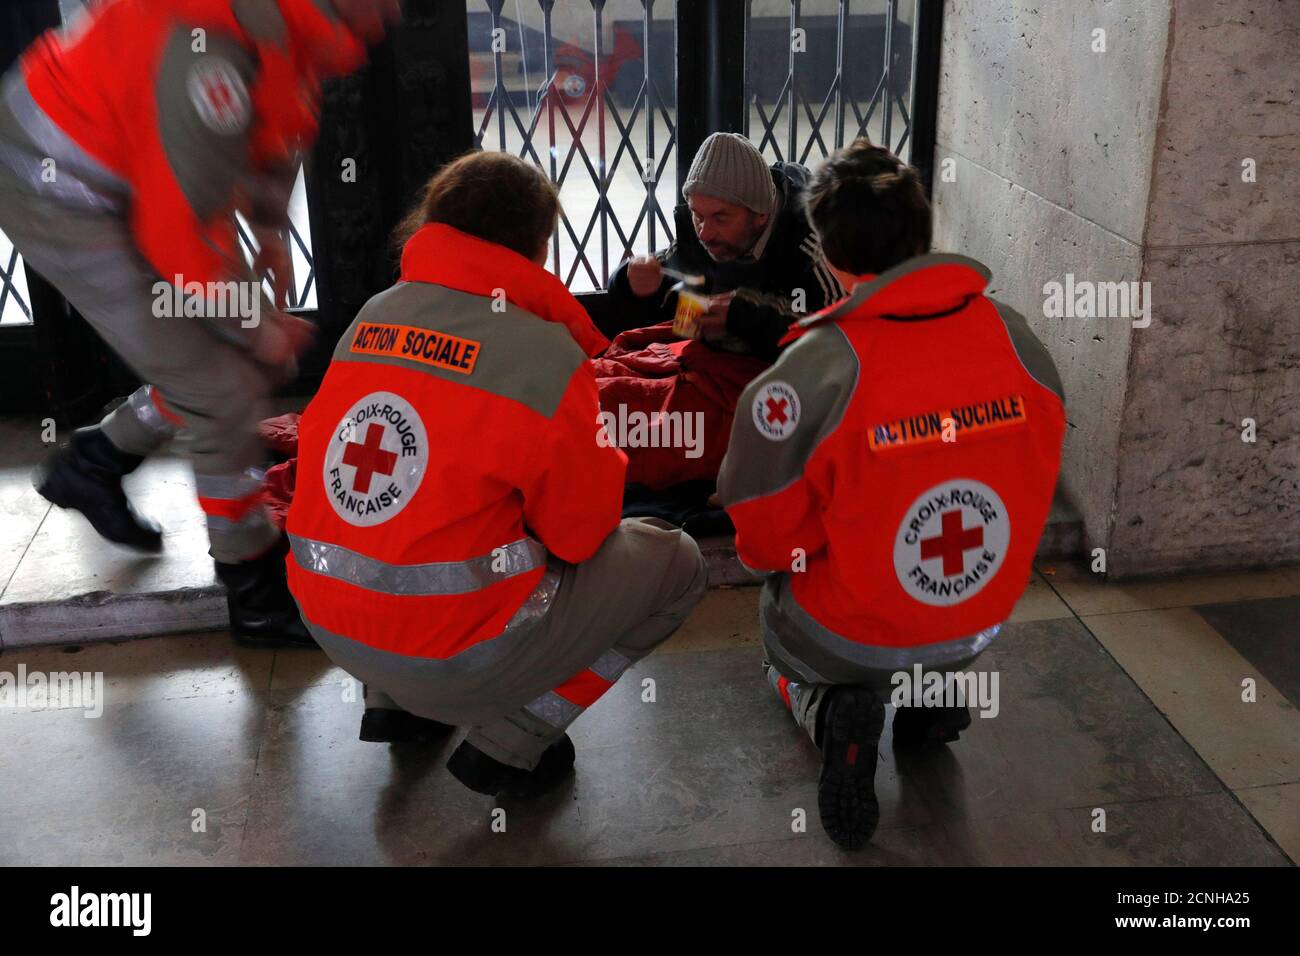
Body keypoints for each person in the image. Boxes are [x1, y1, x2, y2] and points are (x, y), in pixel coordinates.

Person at [284, 151, 709, 796]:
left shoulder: (373, 317)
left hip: (331, 624)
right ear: (537, 247)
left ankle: (395, 708)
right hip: (462, 653)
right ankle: (513, 740)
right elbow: (580, 537)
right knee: (676, 564)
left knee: (407, 509)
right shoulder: (543, 354)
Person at [0, 0, 402, 647]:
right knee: (221, 385)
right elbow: (180, 239)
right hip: (54, 186)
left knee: (224, 362)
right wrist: (253, 323)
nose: (391, 17)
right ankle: (255, 594)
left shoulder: (289, 23)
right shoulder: (210, 54)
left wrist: (269, 236)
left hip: (122, 161)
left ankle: (95, 461)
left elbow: (281, 120)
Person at [717, 139, 1067, 848]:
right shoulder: (1017, 337)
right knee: (922, 620)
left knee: (775, 609)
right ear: (923, 234)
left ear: (831, 253)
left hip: (849, 633)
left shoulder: (812, 369)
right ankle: (932, 693)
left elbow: (763, 535)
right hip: (981, 614)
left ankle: (832, 711)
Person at [591, 132, 844, 500]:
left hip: (768, 393)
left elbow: (840, 352)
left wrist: (746, 317)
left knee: (615, 410)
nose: (705, 232)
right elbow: (651, 282)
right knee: (592, 380)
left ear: (760, 215)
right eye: (697, 216)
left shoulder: (813, 251)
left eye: (721, 218)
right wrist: (628, 281)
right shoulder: (701, 237)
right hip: (702, 363)